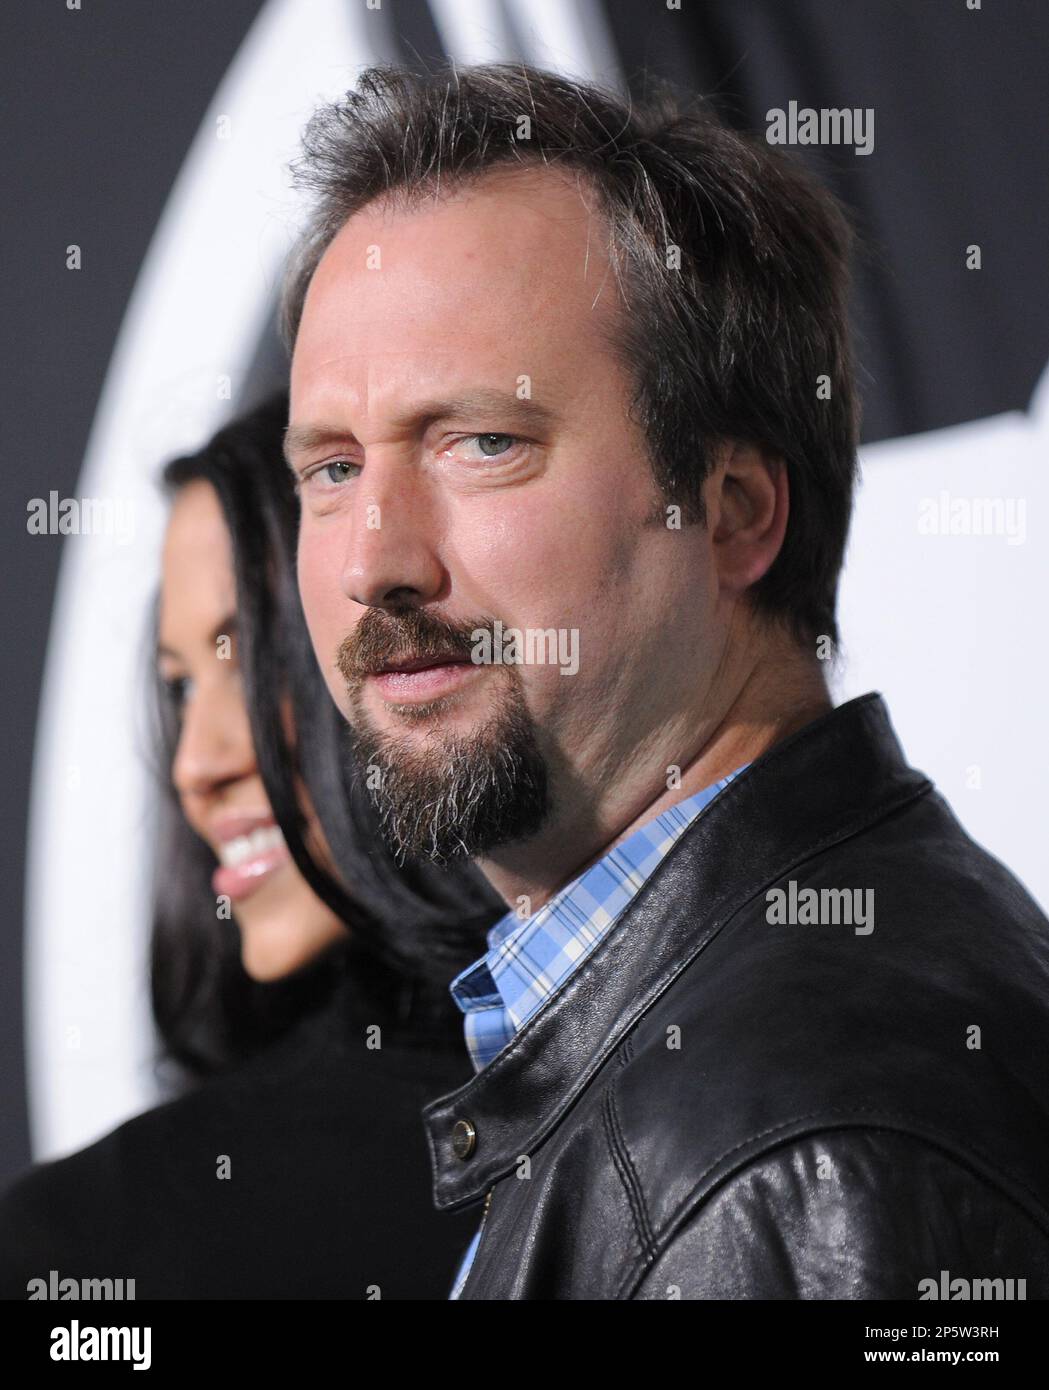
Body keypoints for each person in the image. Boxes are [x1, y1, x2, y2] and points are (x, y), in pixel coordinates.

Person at [280, 62, 1049, 1299]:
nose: (374, 559)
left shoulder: (802, 1154)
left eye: (482, 443)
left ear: (733, 513)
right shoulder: (734, 1051)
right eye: (328, 469)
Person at [0, 394, 503, 1299]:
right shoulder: (84, 1241)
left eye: (249, 654)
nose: (197, 765)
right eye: (180, 687)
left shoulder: (670, 1106)